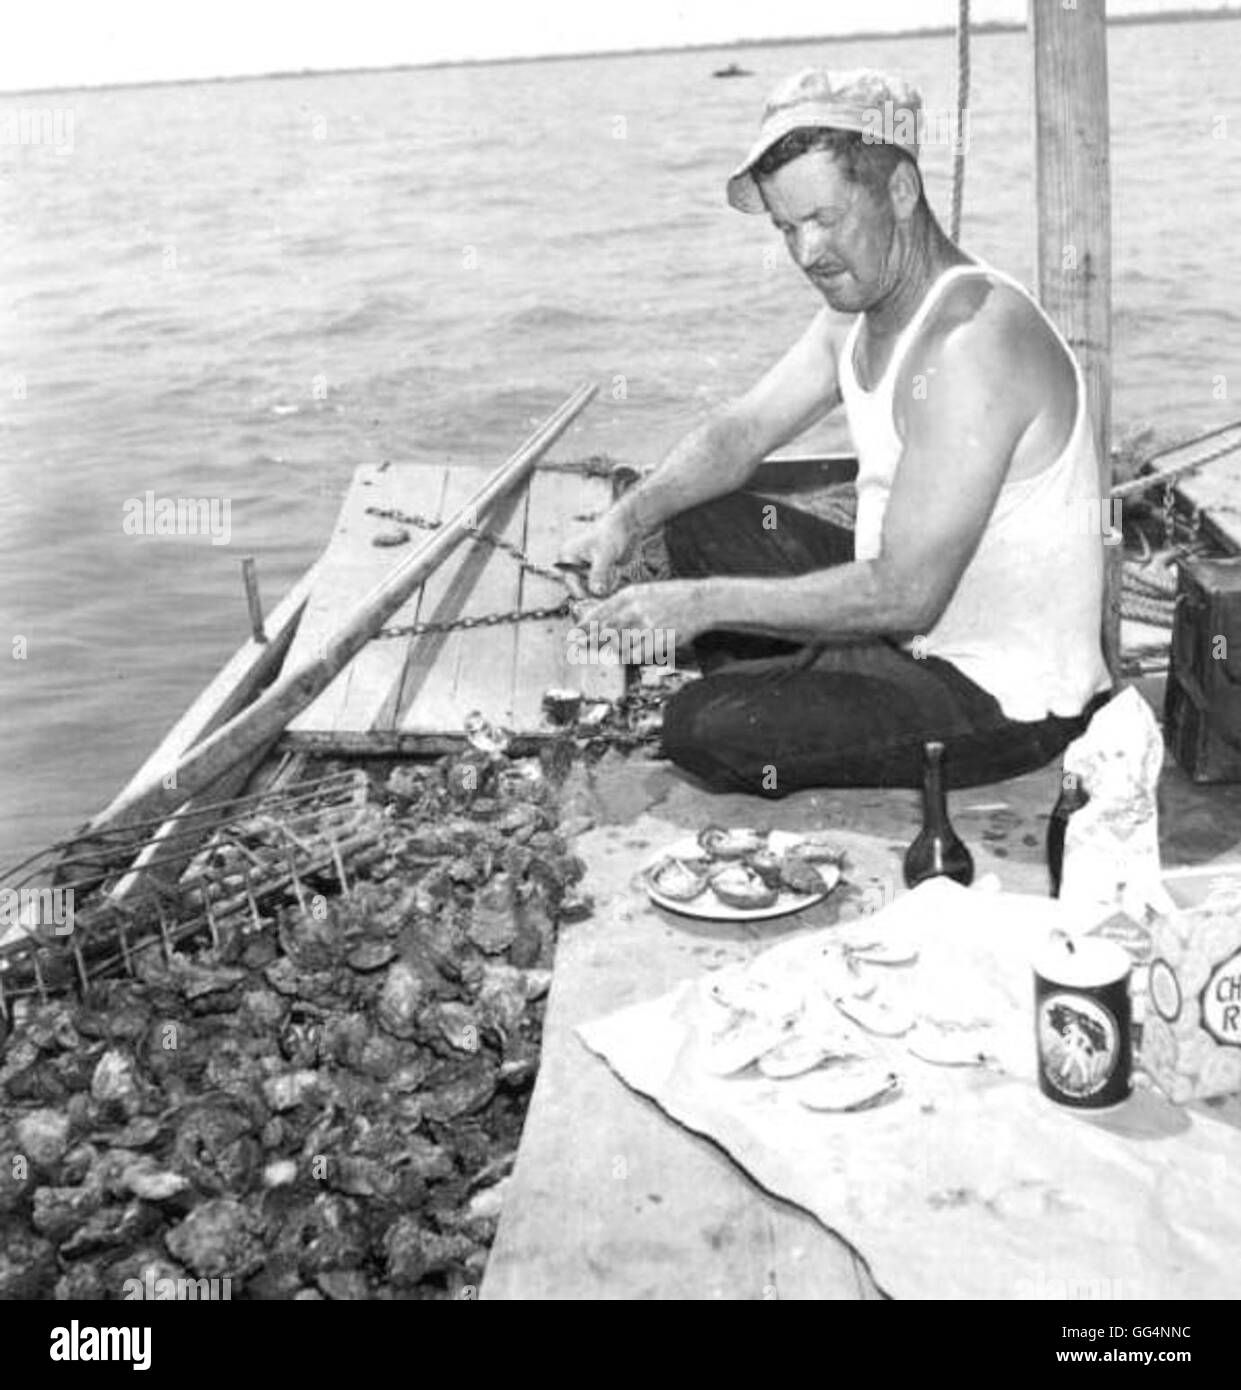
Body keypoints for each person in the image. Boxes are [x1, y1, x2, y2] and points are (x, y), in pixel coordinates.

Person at [558, 67, 1113, 795]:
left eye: (824, 218)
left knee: (701, 729)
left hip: (1001, 696)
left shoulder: (971, 341)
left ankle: (794, 686)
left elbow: (905, 595)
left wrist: (698, 605)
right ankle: (805, 679)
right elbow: (742, 433)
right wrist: (625, 521)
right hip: (901, 630)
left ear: (901, 193)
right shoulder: (857, 309)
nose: (805, 252)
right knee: (690, 522)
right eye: (787, 227)